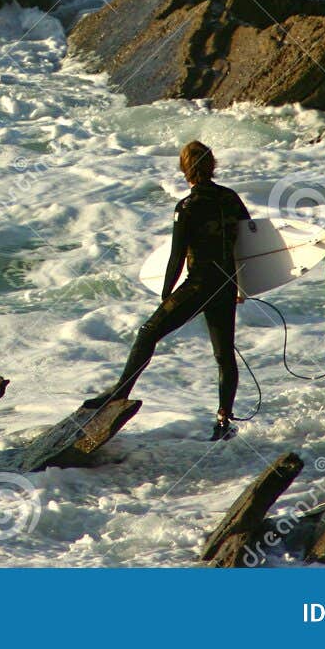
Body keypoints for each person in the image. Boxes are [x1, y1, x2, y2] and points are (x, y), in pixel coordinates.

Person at [103, 140, 251, 441]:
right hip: (226, 285)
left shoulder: (187, 207)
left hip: (199, 285)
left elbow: (176, 256)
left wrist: (166, 294)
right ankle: (224, 421)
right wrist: (244, 284)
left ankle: (117, 395)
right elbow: (250, 240)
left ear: (185, 170)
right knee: (224, 356)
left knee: (147, 333)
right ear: (213, 166)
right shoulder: (231, 199)